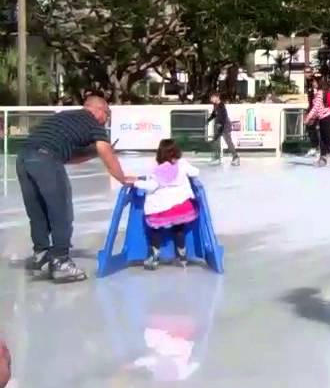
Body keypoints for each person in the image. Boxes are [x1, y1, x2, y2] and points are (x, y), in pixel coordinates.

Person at [18, 96, 134, 282]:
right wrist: (122, 178)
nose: (106, 120)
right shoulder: (92, 121)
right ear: (99, 110)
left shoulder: (66, 116)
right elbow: (105, 151)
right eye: (107, 114)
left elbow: (68, 157)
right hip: (46, 159)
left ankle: (41, 254)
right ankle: (61, 261)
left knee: (38, 210)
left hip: (24, 158)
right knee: (61, 212)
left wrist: (92, 152)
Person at [135, 139, 201, 270]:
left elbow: (152, 186)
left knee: (156, 231)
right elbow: (196, 172)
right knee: (179, 230)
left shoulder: (159, 170)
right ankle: (182, 257)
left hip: (162, 209)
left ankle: (154, 256)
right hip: (181, 207)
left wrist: (135, 182)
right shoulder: (182, 164)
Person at [304, 80, 330, 166]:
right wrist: (313, 117)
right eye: (313, 82)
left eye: (315, 82)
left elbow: (316, 107)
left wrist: (308, 117)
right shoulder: (319, 92)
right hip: (324, 117)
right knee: (323, 138)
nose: (313, 83)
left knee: (327, 137)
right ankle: (324, 158)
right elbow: (318, 109)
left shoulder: (319, 93)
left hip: (326, 117)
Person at [206, 93, 240, 166]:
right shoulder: (215, 105)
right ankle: (217, 158)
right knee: (216, 142)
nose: (211, 99)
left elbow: (224, 117)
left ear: (217, 97)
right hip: (218, 126)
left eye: (212, 97)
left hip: (224, 126)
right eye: (211, 98)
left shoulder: (222, 105)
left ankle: (236, 157)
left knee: (228, 142)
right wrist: (208, 120)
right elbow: (214, 114)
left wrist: (220, 126)